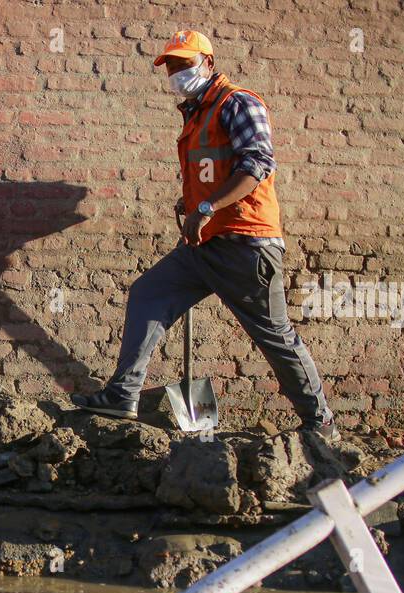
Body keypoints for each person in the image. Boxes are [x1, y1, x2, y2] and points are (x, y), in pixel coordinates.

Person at [74, 29, 338, 441]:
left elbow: (257, 166)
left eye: (186, 64)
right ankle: (123, 394)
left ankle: (319, 422)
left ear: (209, 63)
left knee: (274, 336)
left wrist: (205, 207)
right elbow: (211, 170)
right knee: (149, 293)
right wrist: (192, 202)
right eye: (173, 67)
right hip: (204, 243)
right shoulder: (196, 114)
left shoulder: (238, 103)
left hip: (247, 245)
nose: (178, 73)